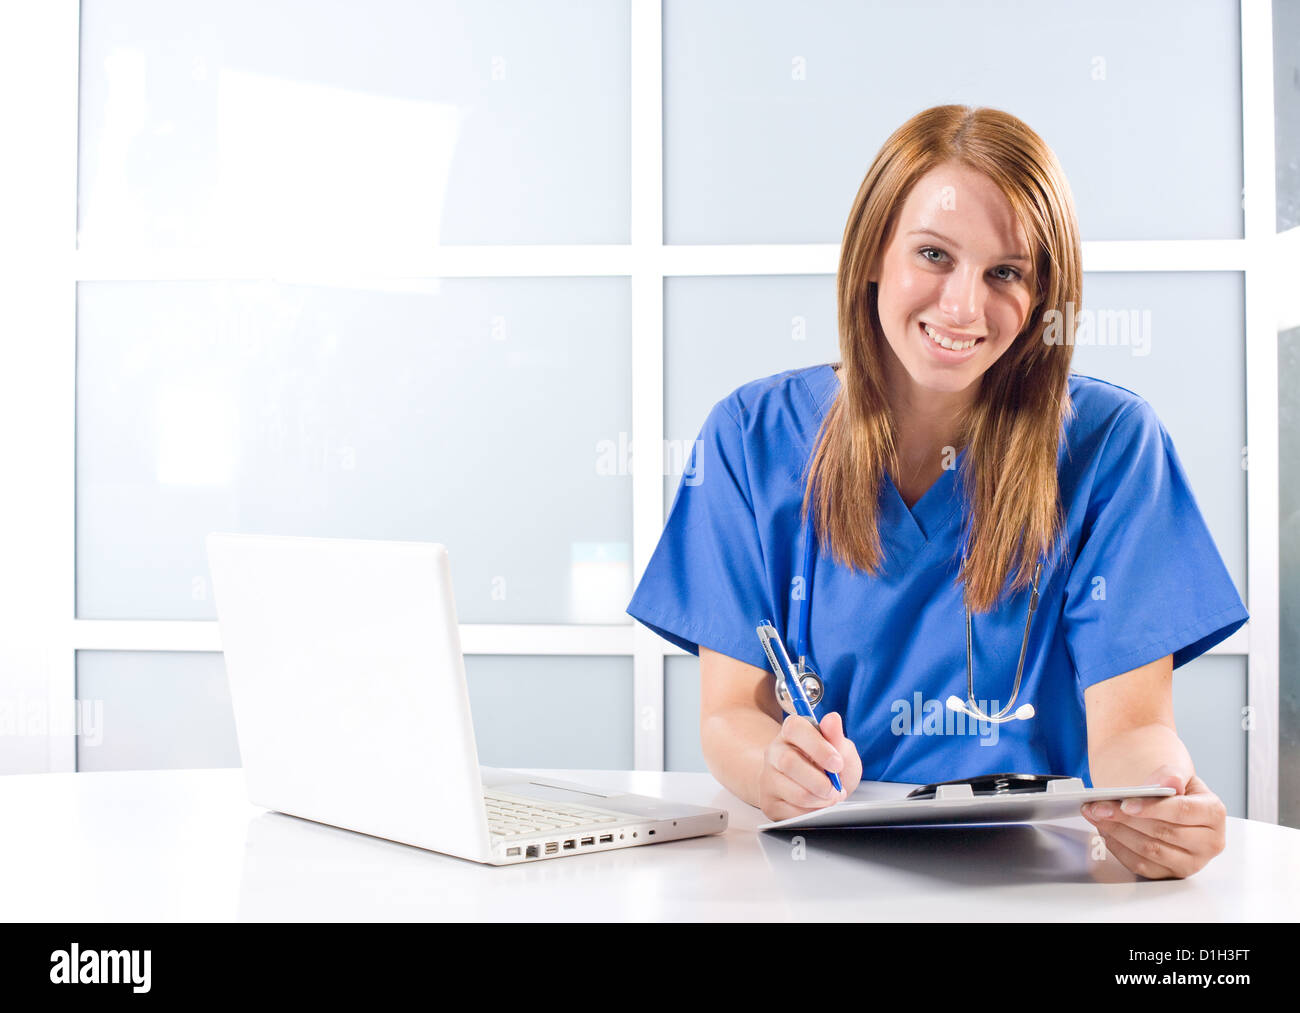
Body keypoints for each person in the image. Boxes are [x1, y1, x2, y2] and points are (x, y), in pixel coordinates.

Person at [626, 105, 1248, 880]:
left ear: (1044, 292)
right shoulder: (750, 438)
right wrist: (769, 769)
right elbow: (730, 714)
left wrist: (1164, 798)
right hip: (813, 870)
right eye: (933, 254)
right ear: (873, 255)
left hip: (1036, 884)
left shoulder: (1114, 445)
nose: (963, 307)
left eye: (1006, 273)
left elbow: (1132, 729)